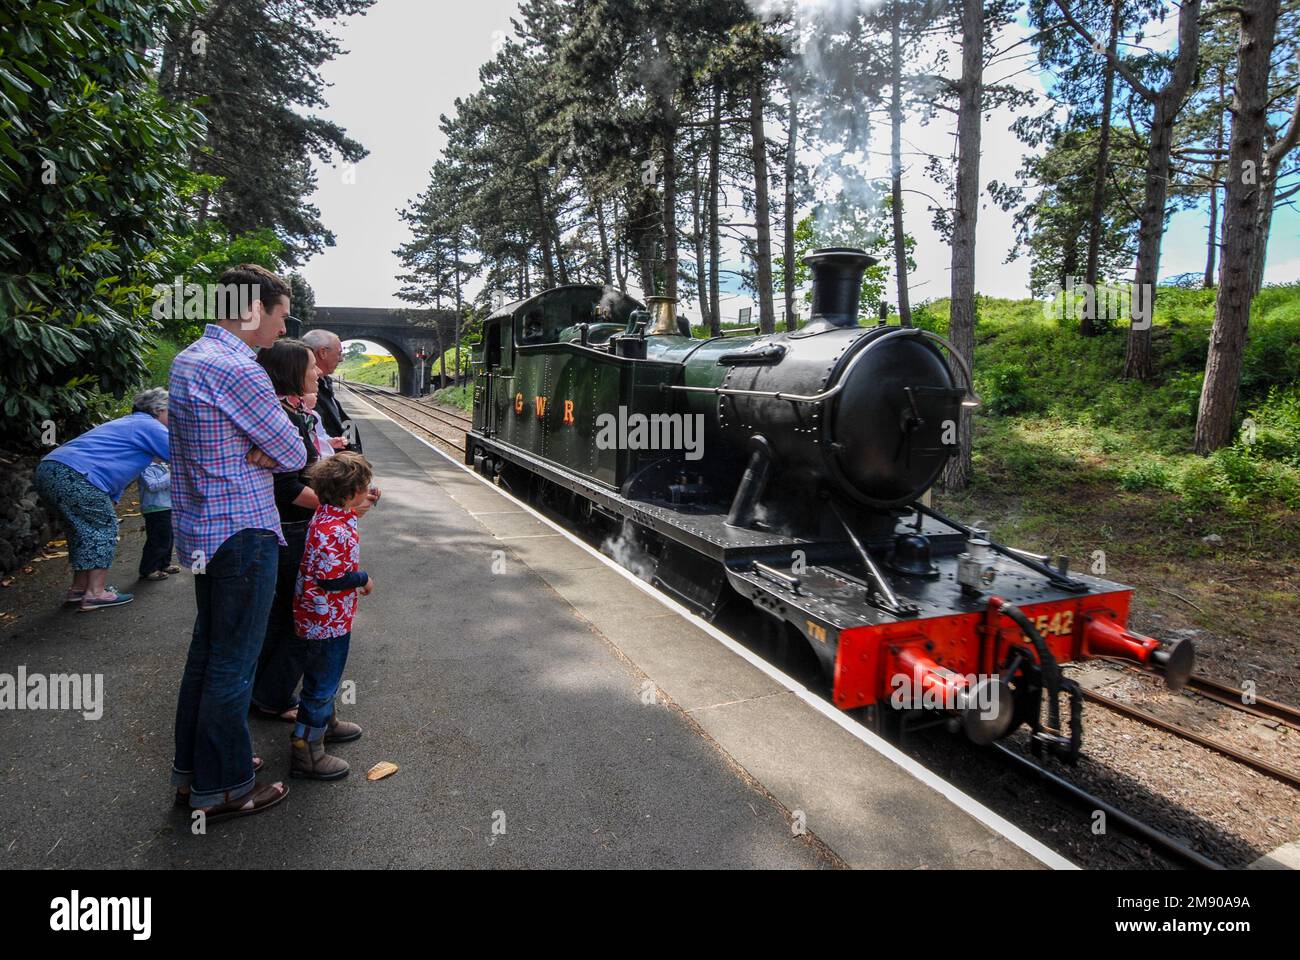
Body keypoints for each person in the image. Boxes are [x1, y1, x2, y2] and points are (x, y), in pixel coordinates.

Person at [168, 263, 307, 822]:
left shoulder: (189, 360)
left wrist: (261, 448)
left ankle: (194, 773)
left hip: (204, 530)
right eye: (280, 315)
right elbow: (295, 455)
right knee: (233, 665)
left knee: (206, 656)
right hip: (244, 532)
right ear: (254, 309)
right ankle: (226, 786)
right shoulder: (240, 370)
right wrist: (266, 450)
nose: (281, 328)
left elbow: (270, 447)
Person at [33, 388, 170, 611]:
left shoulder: (128, 423)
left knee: (82, 532)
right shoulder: (149, 424)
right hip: (76, 475)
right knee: (102, 530)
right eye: (171, 413)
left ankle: (79, 589)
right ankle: (95, 593)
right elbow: (181, 454)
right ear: (159, 409)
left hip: (51, 470)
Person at [250, 338, 325, 723]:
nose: (318, 372)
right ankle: (274, 696)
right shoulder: (285, 417)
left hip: (289, 528)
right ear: (293, 371)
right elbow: (286, 487)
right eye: (311, 366)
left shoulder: (291, 414)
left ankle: (264, 691)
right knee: (303, 615)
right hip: (292, 529)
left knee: (280, 615)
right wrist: (336, 503)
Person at [289, 452, 373, 780]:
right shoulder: (333, 529)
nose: (369, 492)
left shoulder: (329, 514)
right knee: (322, 682)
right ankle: (306, 750)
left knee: (325, 675)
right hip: (327, 621)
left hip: (323, 616)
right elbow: (331, 578)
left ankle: (325, 723)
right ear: (350, 494)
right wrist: (362, 578)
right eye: (365, 488)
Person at [301, 329, 362, 453]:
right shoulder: (308, 391)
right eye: (339, 353)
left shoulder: (325, 384)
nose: (341, 359)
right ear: (322, 352)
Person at [137, 455, 180, 581]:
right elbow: (153, 486)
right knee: (157, 539)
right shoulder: (145, 468)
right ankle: (148, 569)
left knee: (168, 537)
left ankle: (163, 564)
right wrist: (171, 474)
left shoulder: (163, 466)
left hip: (168, 506)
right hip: (155, 508)